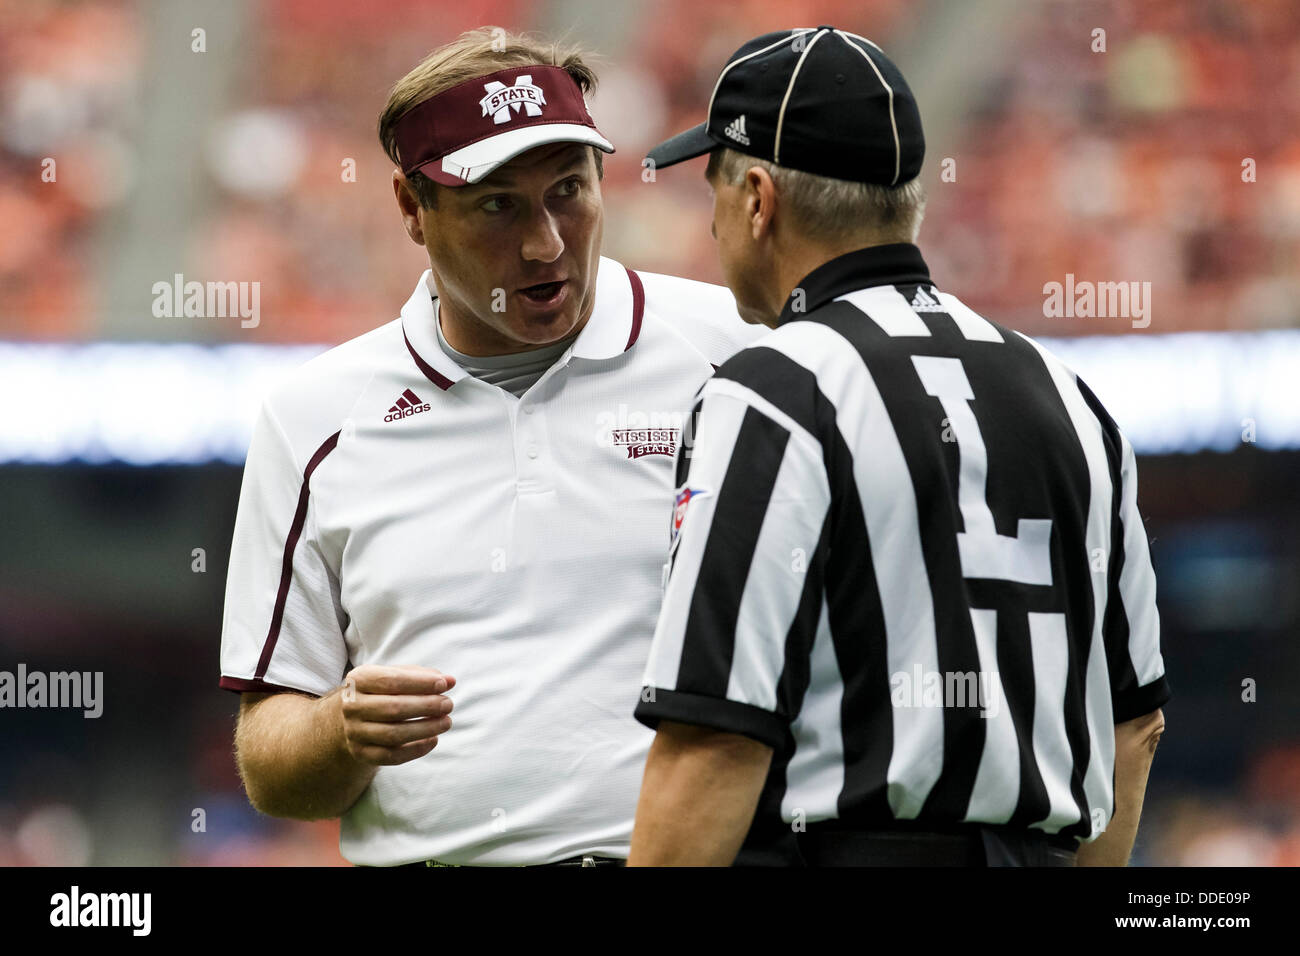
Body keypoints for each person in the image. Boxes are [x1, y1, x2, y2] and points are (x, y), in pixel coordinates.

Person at [218, 27, 762, 867]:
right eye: (498, 204)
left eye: (569, 192)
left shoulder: (737, 355)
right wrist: (339, 729)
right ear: (411, 208)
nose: (546, 243)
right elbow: (273, 767)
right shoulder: (314, 419)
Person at [629, 26, 1169, 866]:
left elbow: (714, 740)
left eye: (714, 190)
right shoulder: (1075, 399)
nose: (710, 222)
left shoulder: (773, 390)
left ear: (758, 199)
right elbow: (1134, 727)